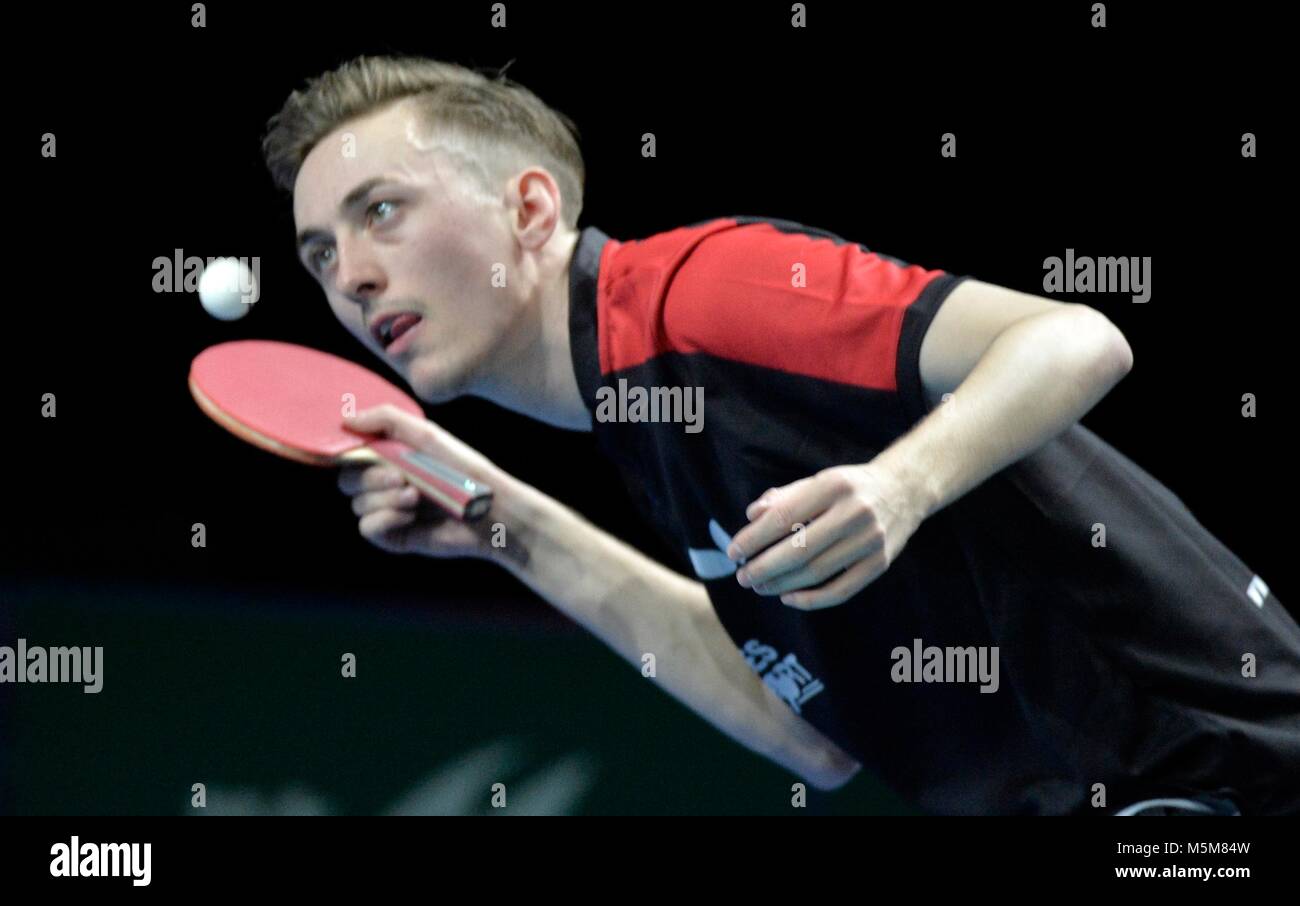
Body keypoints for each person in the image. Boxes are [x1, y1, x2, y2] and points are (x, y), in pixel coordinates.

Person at [262, 55, 1300, 815]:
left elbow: (1075, 335)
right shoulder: (640, 416)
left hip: (1224, 790)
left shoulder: (701, 291)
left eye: (381, 212)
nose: (349, 276)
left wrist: (900, 486)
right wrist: (505, 526)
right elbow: (808, 735)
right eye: (318, 254)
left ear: (530, 209)